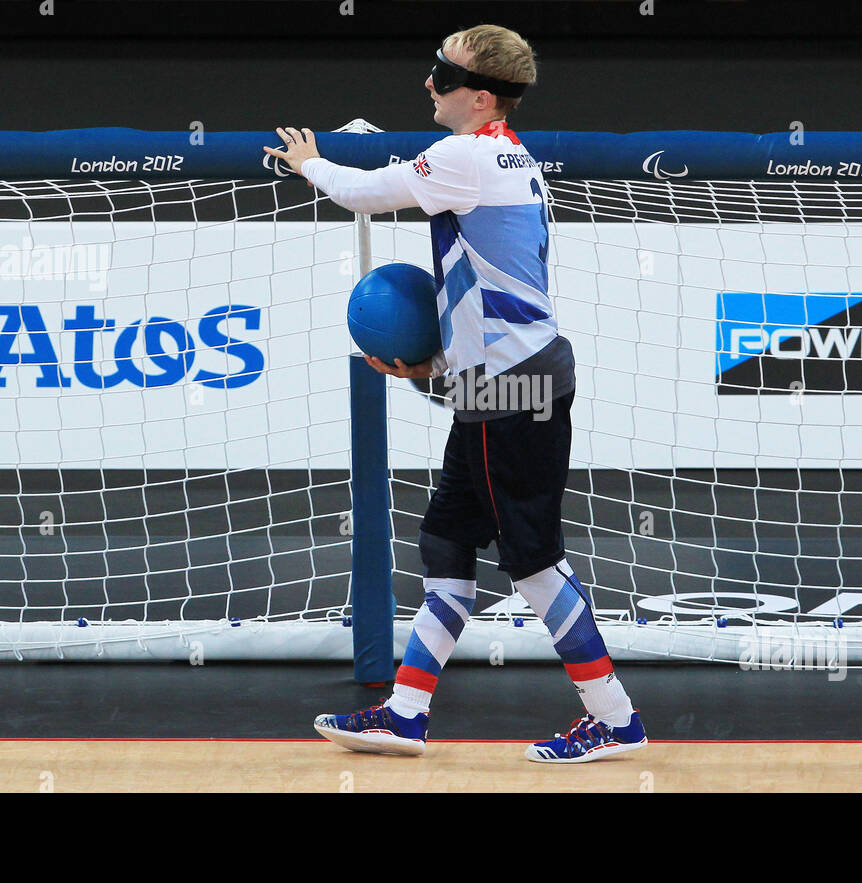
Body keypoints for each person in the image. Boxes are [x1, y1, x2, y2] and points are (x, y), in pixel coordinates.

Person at [265, 24, 645, 763]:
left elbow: (365, 194)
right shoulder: (510, 158)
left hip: (513, 390)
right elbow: (492, 294)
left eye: (441, 73)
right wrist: (435, 371)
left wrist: (311, 161)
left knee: (533, 561)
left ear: (478, 95)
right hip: (499, 382)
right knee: (446, 540)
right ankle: (406, 711)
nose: (428, 84)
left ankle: (614, 716)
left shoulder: (466, 157)